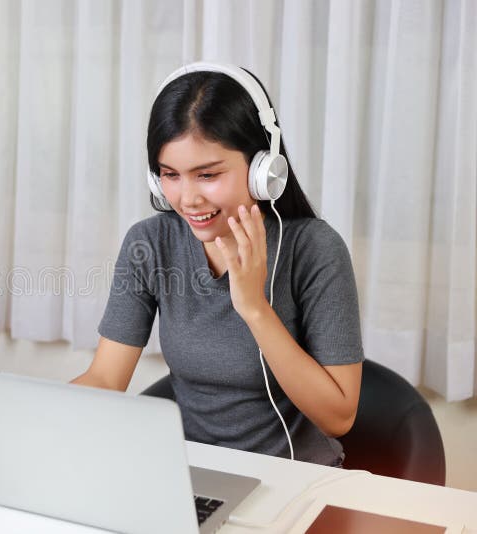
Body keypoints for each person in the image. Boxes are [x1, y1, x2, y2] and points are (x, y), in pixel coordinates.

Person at [70, 63, 364, 467]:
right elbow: (105, 379)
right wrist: (38, 420)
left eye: (207, 175)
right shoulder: (151, 244)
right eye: (170, 175)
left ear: (264, 169)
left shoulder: (314, 249)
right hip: (190, 474)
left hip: (294, 479)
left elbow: (339, 418)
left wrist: (255, 309)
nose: (187, 198)